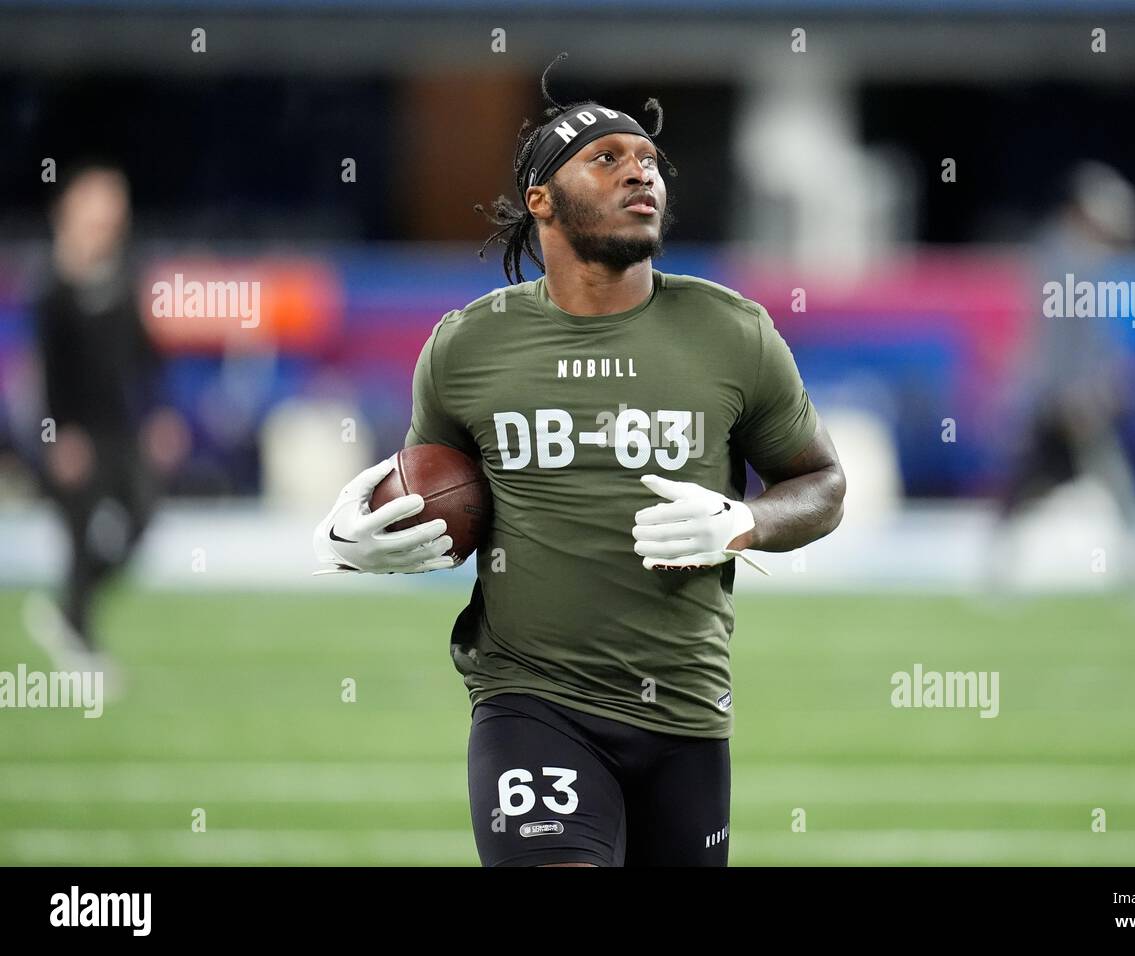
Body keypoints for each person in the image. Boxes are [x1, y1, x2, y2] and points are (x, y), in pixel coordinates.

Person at [313, 55, 846, 867]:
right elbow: (435, 500)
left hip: (687, 709)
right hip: (532, 701)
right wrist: (355, 543)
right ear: (541, 201)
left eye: (650, 162)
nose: (642, 173)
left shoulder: (732, 332)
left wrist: (746, 520)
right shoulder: (467, 345)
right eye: (608, 158)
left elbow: (824, 485)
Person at [24, 163, 184, 682]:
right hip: (73, 431)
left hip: (120, 427)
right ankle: (81, 644)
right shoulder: (51, 281)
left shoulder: (124, 271)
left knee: (141, 515)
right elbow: (43, 367)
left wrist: (159, 412)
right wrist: (56, 433)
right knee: (78, 529)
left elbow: (144, 352)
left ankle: (69, 611)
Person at [990, 160, 1135, 588]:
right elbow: (1055, 338)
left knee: (1039, 483)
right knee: (1096, 478)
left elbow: (1090, 337)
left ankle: (998, 570)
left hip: (1070, 396)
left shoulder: (1083, 261)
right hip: (1062, 399)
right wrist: (1072, 391)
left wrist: (1109, 372)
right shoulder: (1062, 261)